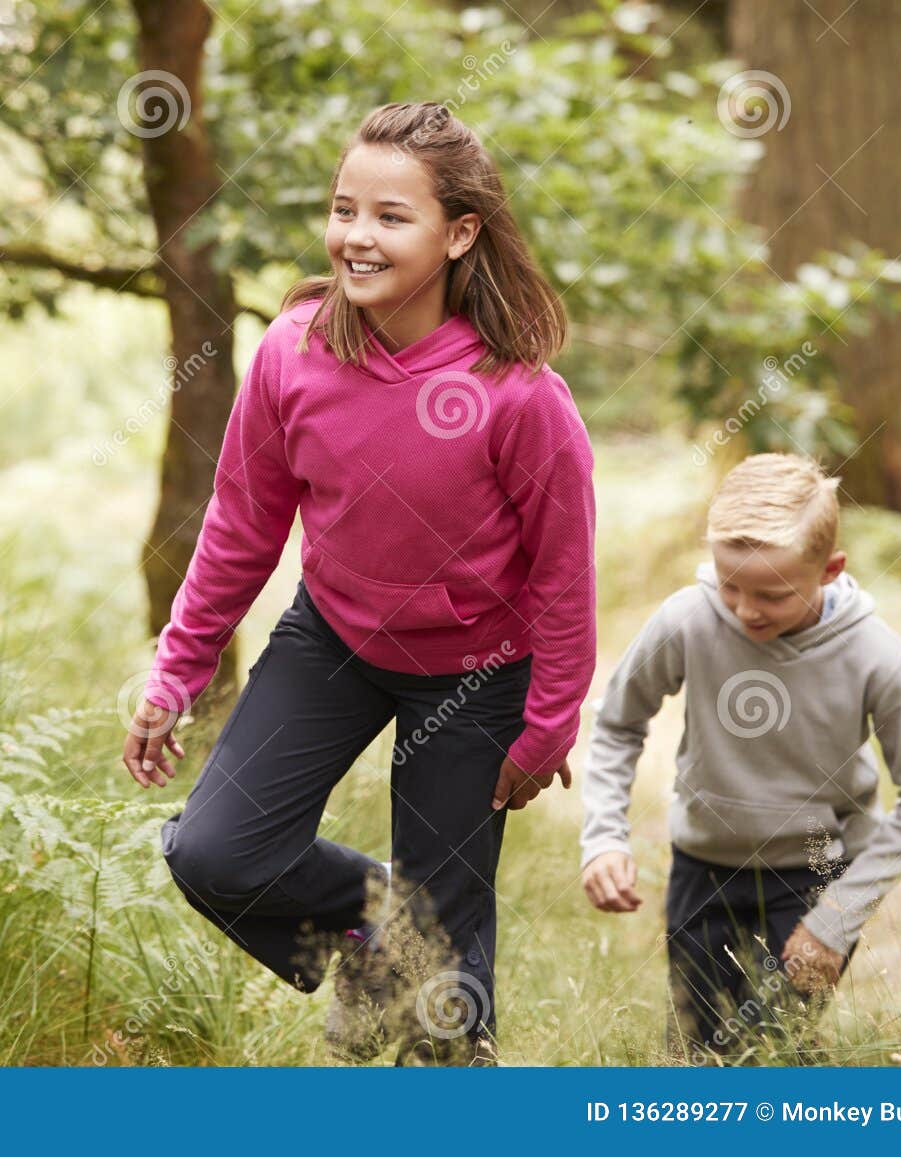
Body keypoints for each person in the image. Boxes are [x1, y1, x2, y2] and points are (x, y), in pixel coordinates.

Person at [121, 102, 597, 1066]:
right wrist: (176, 671)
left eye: (391, 216)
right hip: (334, 639)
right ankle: (380, 910)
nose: (357, 237)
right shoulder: (293, 352)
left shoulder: (520, 395)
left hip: (474, 675)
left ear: (460, 233)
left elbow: (564, 573)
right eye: (345, 210)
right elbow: (241, 525)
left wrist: (548, 722)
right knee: (215, 852)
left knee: (444, 999)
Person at [580, 453, 901, 1061]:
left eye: (771, 594)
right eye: (729, 585)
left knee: (772, 1051)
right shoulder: (687, 620)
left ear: (831, 570)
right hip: (703, 869)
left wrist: (836, 918)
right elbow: (619, 721)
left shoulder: (876, 656)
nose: (745, 610)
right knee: (698, 1052)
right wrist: (603, 837)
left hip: (816, 875)